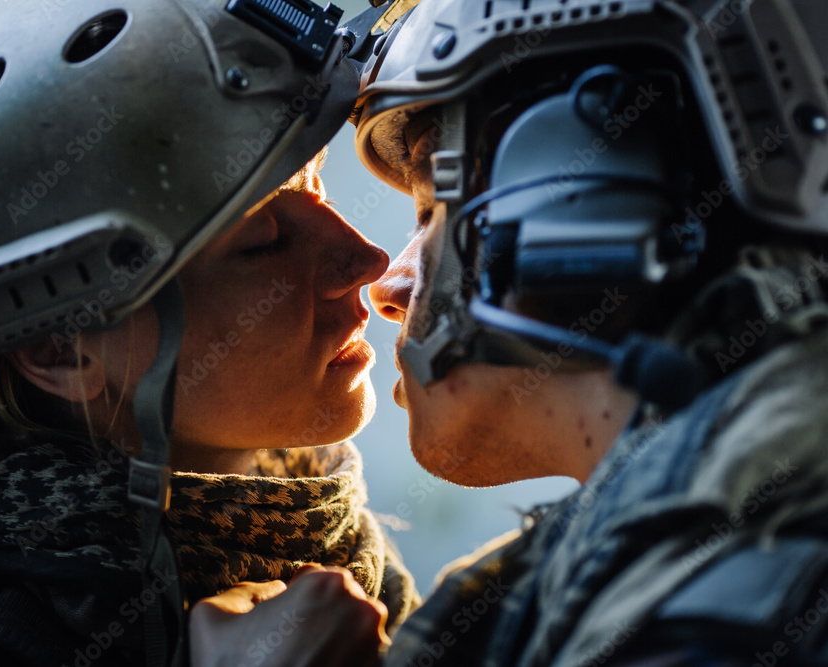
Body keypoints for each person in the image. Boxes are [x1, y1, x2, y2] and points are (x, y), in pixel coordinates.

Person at [190, 0, 828, 664]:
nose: (386, 283)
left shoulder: (731, 613)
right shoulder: (646, 559)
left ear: (570, 194)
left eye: (431, 207)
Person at [0, 0, 418, 665]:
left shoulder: (343, 554)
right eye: (262, 240)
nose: (368, 261)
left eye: (319, 190)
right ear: (61, 350)